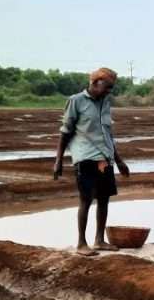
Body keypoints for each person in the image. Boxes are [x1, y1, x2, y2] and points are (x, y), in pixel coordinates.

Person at [53, 67, 130, 256]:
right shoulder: (76, 101)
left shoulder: (105, 102)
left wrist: (119, 161)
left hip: (105, 157)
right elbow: (65, 132)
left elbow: (108, 134)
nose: (109, 91)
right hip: (85, 157)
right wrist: (59, 161)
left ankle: (99, 240)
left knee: (104, 199)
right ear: (95, 82)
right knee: (86, 200)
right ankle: (81, 243)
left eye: (112, 88)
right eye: (107, 87)